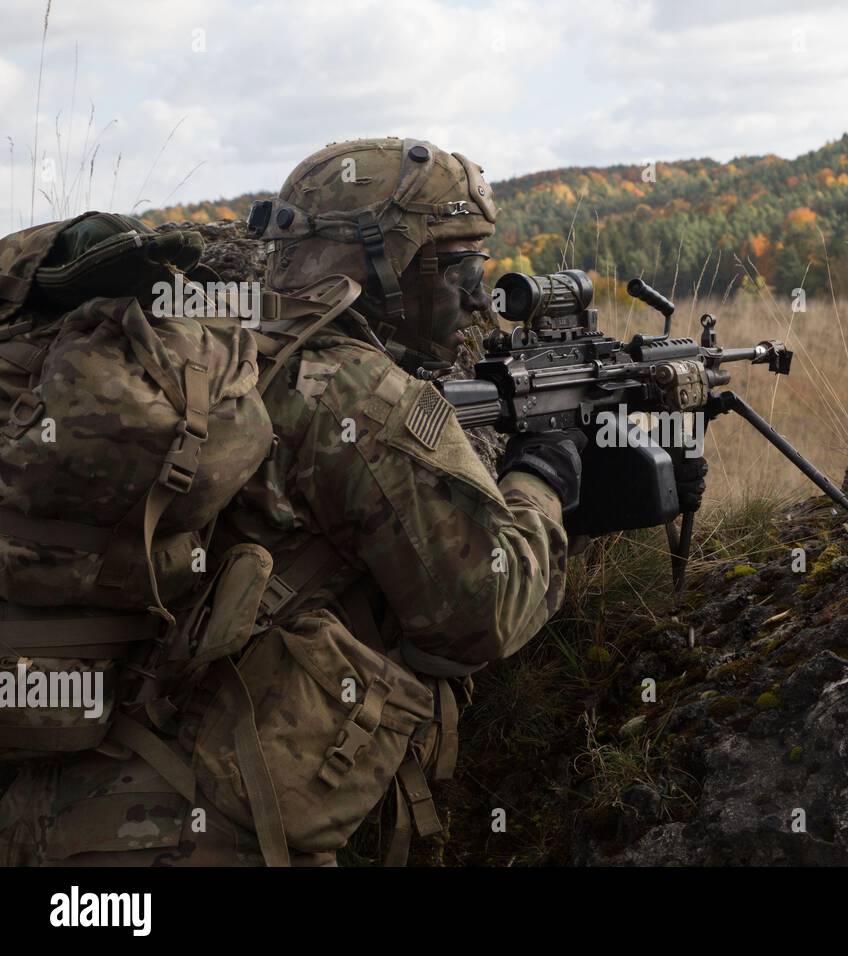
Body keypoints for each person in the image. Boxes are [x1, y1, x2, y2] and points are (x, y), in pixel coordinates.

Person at [0, 137, 582, 866]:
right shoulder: (357, 395)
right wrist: (543, 482)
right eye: (456, 262)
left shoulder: (218, 352)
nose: (477, 292)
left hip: (64, 812)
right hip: (191, 834)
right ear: (379, 261)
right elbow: (486, 611)